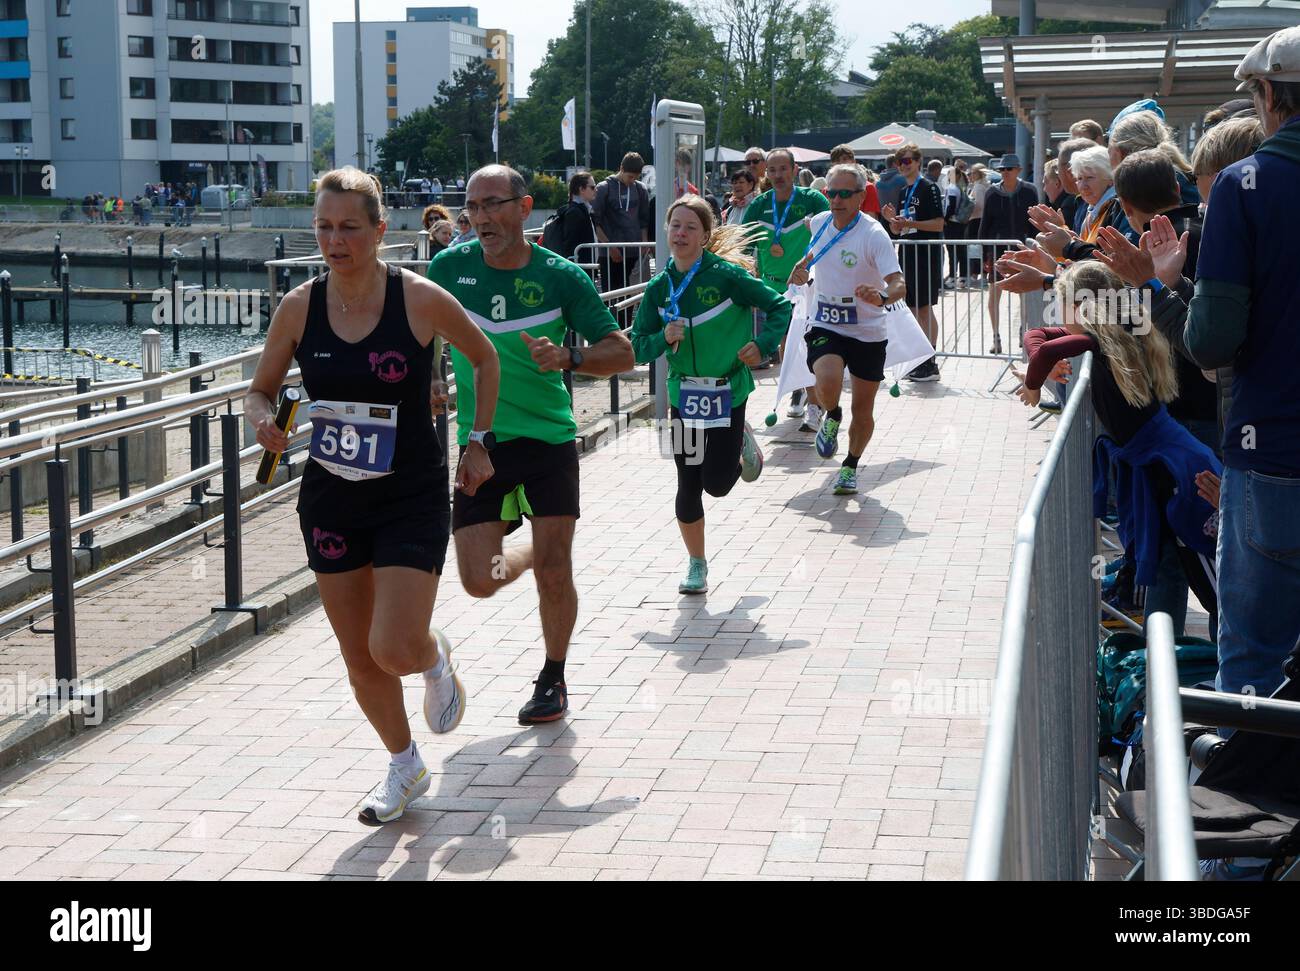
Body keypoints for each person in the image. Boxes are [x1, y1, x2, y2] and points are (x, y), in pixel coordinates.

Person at [245, 167, 501, 824]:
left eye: (350, 227)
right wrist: (261, 419)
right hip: (331, 498)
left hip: (410, 493)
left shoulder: (418, 299)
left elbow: (484, 357)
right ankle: (404, 762)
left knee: (393, 646)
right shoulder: (300, 306)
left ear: (381, 230)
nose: (336, 240)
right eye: (324, 227)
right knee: (358, 653)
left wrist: (479, 439)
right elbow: (260, 386)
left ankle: (431, 653)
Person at [427, 165, 635, 724]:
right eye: (472, 206)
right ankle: (523, 550)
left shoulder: (561, 276)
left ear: (524, 209)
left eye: (494, 204)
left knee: (556, 570)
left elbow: (623, 352)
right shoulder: (449, 267)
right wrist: (430, 378)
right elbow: (422, 331)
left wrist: (569, 357)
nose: (481, 217)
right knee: (477, 580)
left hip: (547, 438)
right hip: (482, 443)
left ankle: (553, 677)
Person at [1185, 24, 1300, 703]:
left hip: (1272, 456)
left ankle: (1246, 805)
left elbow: (1211, 340)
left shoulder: (1243, 183)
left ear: (1267, 93)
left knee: (1253, 674)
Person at [1016, 261, 1220, 639]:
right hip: (1162, 464)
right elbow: (1038, 337)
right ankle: (1165, 663)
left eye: (1061, 302)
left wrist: (1034, 382)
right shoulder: (1113, 333)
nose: (1057, 311)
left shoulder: (1097, 341)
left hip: (1180, 470)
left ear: (1079, 306)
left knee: (1213, 578)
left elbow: (1044, 350)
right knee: (1167, 562)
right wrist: (1037, 363)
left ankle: (1228, 670)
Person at [630, 194, 791, 593]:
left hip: (728, 391)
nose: (680, 233)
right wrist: (661, 339)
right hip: (683, 395)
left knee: (717, 483)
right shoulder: (658, 287)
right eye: (675, 226)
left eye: (690, 227)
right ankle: (696, 564)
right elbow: (636, 344)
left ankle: (742, 445)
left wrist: (764, 343)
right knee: (687, 483)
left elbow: (780, 307)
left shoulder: (726, 277)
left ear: (705, 236)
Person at [787, 164, 907, 495]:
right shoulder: (822, 221)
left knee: (864, 409)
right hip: (826, 318)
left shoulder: (873, 235)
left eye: (844, 194)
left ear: (860, 196)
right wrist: (802, 268)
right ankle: (833, 415)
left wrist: (882, 295)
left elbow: (899, 283)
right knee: (825, 377)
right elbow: (815, 253)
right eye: (831, 193)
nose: (836, 200)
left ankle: (850, 466)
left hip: (867, 328)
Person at [742, 147, 831, 423]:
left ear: (794, 170)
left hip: (806, 288)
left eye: (783, 169)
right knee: (785, 344)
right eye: (772, 170)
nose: (778, 175)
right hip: (773, 289)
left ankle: (815, 405)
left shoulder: (813, 200)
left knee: (805, 342)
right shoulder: (758, 205)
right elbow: (743, 246)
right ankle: (797, 390)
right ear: (765, 173)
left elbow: (830, 236)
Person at [882, 143, 944, 380]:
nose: (904, 166)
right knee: (912, 308)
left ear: (918, 162)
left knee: (924, 308)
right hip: (908, 254)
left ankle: (930, 361)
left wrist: (909, 224)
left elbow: (938, 223)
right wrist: (892, 221)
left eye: (908, 161)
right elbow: (899, 231)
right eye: (900, 162)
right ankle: (920, 358)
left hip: (926, 254)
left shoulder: (929, 187)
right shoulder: (903, 192)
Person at [977, 153, 1038, 355]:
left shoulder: (1029, 191)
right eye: (1002, 169)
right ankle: (996, 337)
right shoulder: (992, 193)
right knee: (994, 294)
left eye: (1009, 169)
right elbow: (984, 225)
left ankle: (1024, 332)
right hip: (998, 250)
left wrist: (1035, 249)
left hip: (1022, 249)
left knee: (1025, 295)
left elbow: (1034, 223)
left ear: (1019, 170)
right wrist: (984, 254)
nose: (1005, 173)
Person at [592, 152, 652, 325]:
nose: (632, 180)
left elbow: (643, 220)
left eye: (636, 177)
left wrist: (644, 243)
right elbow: (595, 222)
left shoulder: (640, 189)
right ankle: (611, 332)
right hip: (610, 253)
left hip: (633, 253)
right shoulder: (604, 188)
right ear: (621, 169)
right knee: (612, 295)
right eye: (630, 176)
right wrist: (609, 246)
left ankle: (626, 332)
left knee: (631, 295)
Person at [1108, 109, 1200, 205]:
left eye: (1109, 151)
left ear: (1120, 153)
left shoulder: (1142, 185)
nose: (1109, 160)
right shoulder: (1177, 175)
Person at [829, 144, 881, 218]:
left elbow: (871, 219)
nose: (841, 163)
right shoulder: (827, 190)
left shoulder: (867, 187)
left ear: (853, 161)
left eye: (844, 159)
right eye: (837, 160)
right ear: (832, 164)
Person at [942, 159, 972, 288]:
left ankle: (953, 277)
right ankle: (963, 277)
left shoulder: (952, 188)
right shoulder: (961, 187)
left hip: (953, 223)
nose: (950, 177)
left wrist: (945, 218)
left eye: (952, 174)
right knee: (960, 250)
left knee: (952, 250)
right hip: (960, 223)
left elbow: (951, 206)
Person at [557, 170, 598, 261]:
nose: (596, 190)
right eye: (592, 187)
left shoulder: (585, 209)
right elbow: (570, 245)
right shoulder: (574, 212)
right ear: (581, 189)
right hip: (580, 267)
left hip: (587, 265)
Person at [1042, 159, 1081, 238]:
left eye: (1046, 183)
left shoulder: (1068, 206)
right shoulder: (1071, 201)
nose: (1044, 189)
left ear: (1057, 183)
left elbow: (1066, 243)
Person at [875, 153, 906, 223]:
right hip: (900, 220)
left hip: (884, 221)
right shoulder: (902, 179)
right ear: (894, 164)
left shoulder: (878, 183)